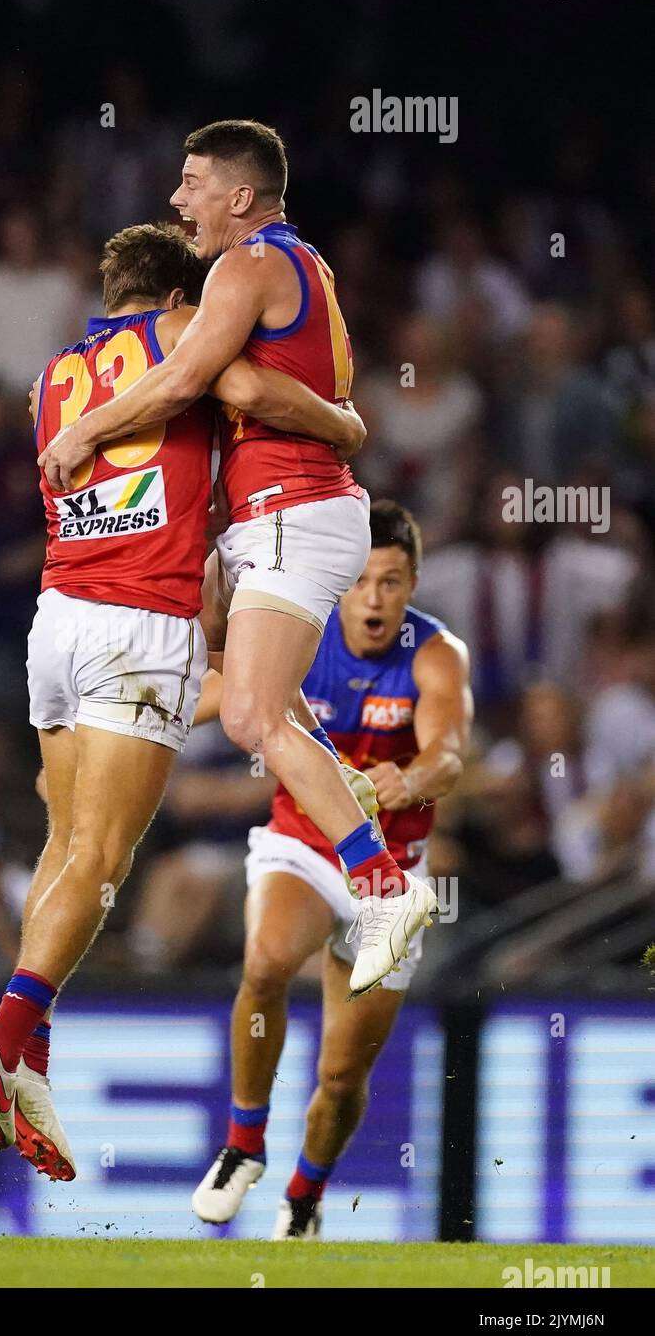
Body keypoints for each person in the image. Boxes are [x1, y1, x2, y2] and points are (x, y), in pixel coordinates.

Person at [0, 221, 367, 1180]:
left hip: (54, 618)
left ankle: (31, 1064)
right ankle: (1, 1041)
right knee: (103, 856)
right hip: (140, 621)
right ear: (186, 297)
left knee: (63, 842)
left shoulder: (53, 372)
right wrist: (344, 424)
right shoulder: (184, 342)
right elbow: (237, 388)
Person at [39, 120, 438, 996]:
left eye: (191, 183)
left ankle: (384, 889)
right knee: (252, 693)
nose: (178, 200)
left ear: (241, 195)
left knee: (255, 718)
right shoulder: (301, 264)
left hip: (292, 512)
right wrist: (334, 419)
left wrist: (88, 427)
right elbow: (253, 386)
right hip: (284, 515)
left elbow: (191, 378)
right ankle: (354, 800)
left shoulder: (247, 264)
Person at [191, 501, 472, 1237]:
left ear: (412, 585)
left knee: (342, 1078)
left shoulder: (437, 654)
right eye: (364, 581)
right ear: (341, 581)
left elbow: (449, 752)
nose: (375, 599)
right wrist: (118, 727)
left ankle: (305, 1196)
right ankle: (243, 1144)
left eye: (393, 582)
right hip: (304, 848)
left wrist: (408, 781)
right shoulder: (300, 640)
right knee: (267, 961)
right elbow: (209, 695)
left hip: (396, 877)